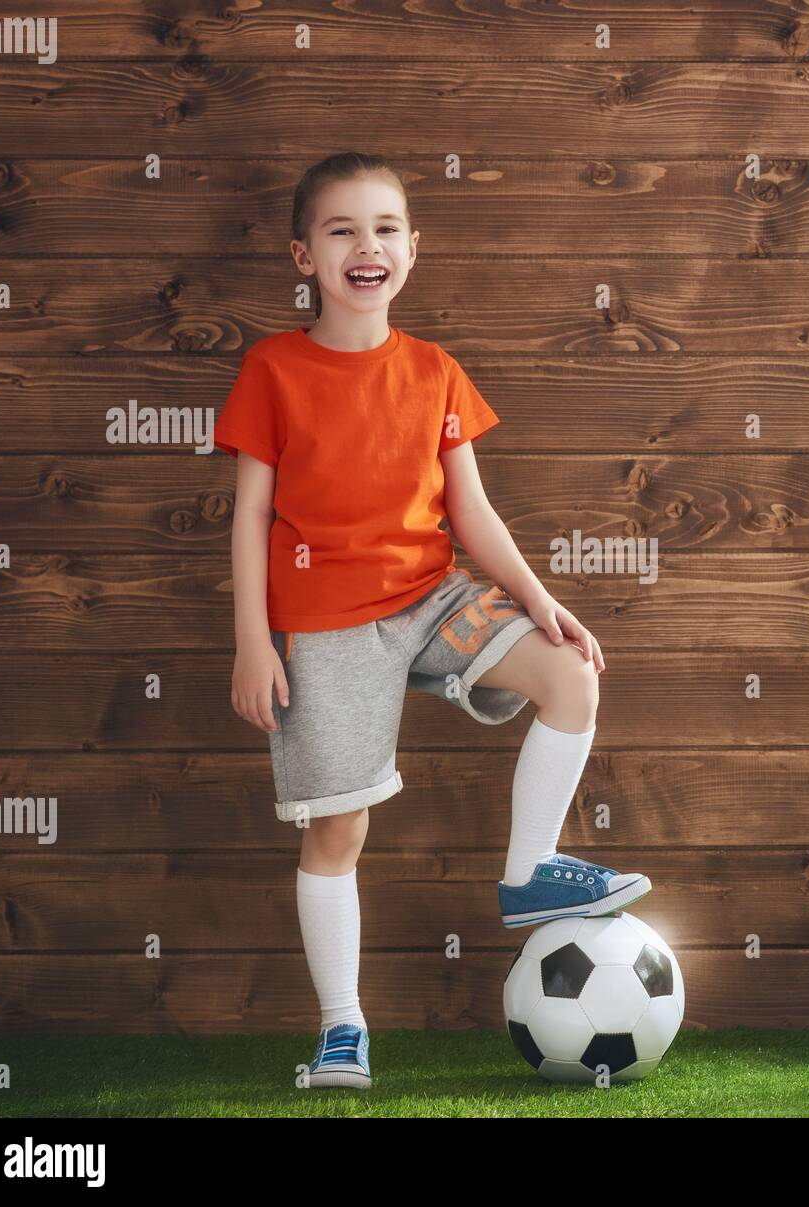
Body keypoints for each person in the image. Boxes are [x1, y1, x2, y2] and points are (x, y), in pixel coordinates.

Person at [213, 151, 651, 1088]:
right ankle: (343, 1031)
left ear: (413, 249)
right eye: (340, 231)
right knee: (338, 831)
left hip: (432, 598)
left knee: (570, 676)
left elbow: (473, 514)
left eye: (384, 230)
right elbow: (250, 513)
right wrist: (254, 639)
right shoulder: (273, 368)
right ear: (304, 256)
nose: (365, 247)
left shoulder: (436, 371)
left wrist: (539, 599)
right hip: (325, 622)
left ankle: (529, 869)